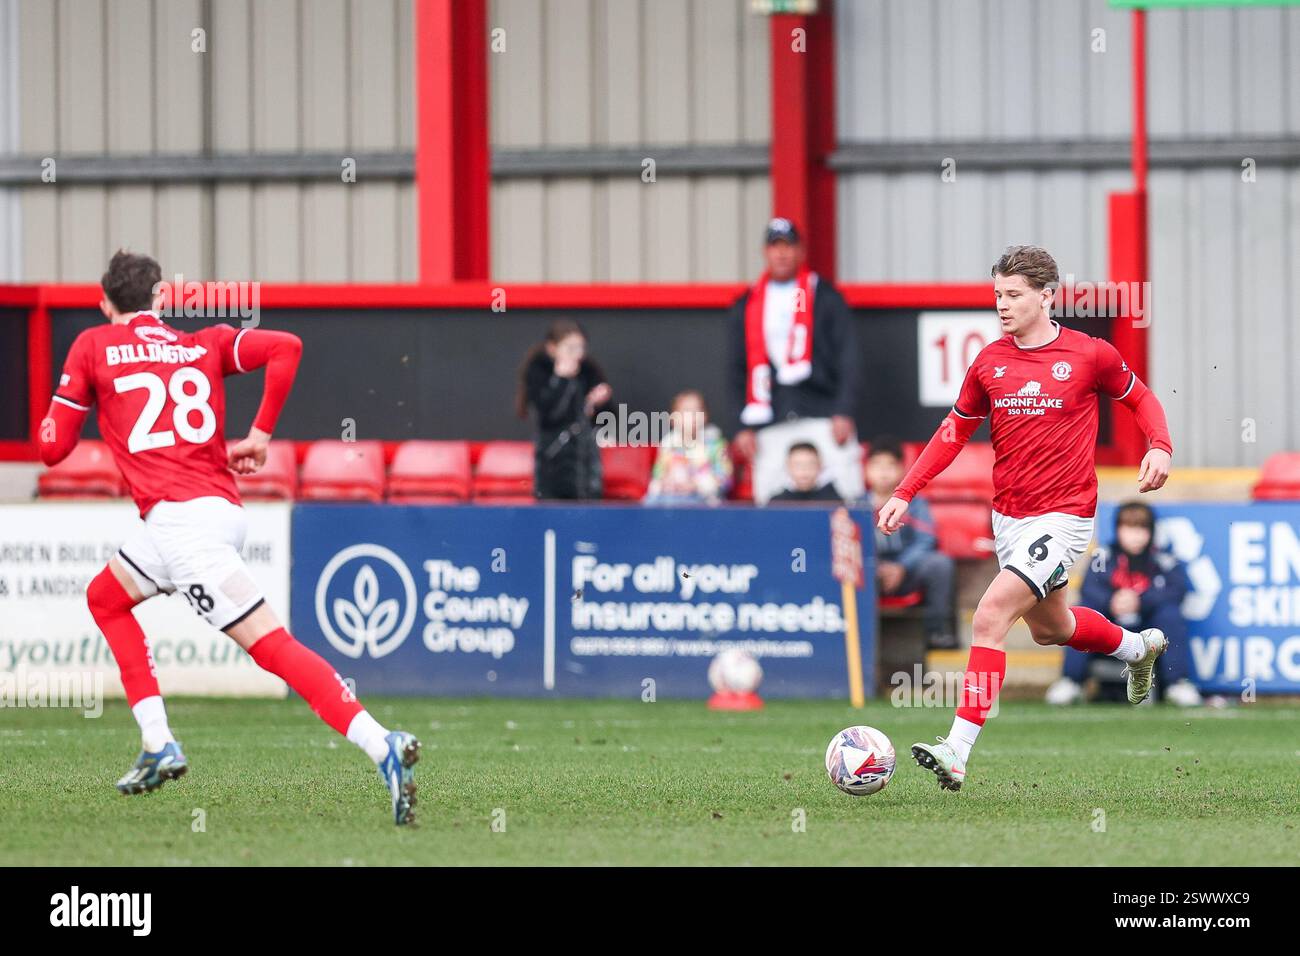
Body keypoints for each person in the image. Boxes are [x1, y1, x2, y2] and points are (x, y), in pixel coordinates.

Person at [39, 250, 420, 824]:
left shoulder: (93, 345)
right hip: (213, 509)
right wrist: (260, 434)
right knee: (106, 597)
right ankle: (156, 742)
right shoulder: (204, 343)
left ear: (104, 302)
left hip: (180, 525)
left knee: (271, 647)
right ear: (162, 297)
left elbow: (52, 449)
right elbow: (286, 346)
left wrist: (72, 404)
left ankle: (379, 742)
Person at [876, 244, 1174, 791]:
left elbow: (1142, 399)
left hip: (1064, 517)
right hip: (1010, 520)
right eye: (997, 295)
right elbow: (952, 433)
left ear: (1046, 295)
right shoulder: (990, 361)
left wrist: (1160, 444)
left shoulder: (1090, 355)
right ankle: (1139, 647)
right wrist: (905, 489)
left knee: (989, 617)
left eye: (1013, 295)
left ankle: (957, 749)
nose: (1003, 306)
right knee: (1052, 628)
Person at [731, 217, 862, 504]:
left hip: (823, 412)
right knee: (768, 500)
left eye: (788, 246)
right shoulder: (748, 302)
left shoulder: (823, 296)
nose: (781, 253)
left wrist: (844, 409)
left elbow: (848, 354)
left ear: (800, 251)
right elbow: (736, 368)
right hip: (772, 415)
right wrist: (741, 425)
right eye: (775, 246)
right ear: (765, 252)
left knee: (846, 495)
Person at [1047, 501, 1201, 707]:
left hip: (1147, 627)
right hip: (1111, 625)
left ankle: (1177, 683)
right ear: (1118, 529)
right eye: (1128, 528)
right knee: (1084, 610)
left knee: (1170, 614)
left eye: (1141, 529)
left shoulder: (1164, 559)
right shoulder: (1103, 557)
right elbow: (1089, 588)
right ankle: (1071, 681)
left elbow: (1177, 590)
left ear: (1151, 531)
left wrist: (1141, 601)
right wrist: (1111, 601)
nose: (1135, 536)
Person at [865, 437, 957, 649]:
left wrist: (901, 566)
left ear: (901, 470)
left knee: (939, 564)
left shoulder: (915, 504)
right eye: (877, 465)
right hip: (872, 574)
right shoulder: (856, 503)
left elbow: (926, 540)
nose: (883, 472)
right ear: (866, 470)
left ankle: (937, 633)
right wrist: (878, 568)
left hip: (908, 571)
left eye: (890, 465)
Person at [517, 319, 611, 500]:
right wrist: (561, 380)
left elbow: (606, 418)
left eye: (581, 348)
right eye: (570, 348)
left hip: (584, 461)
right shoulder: (540, 370)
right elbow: (547, 414)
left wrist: (596, 403)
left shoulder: (588, 371)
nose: (577, 354)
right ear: (553, 348)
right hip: (553, 459)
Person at [643, 390, 732, 505]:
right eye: (686, 411)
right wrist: (665, 483)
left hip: (703, 498)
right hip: (671, 496)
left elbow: (725, 480)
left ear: (705, 416)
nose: (693, 416)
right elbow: (658, 474)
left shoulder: (715, 445)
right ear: (673, 418)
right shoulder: (668, 445)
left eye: (698, 411)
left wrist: (696, 485)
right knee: (651, 501)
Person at [767, 442, 842, 503]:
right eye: (798, 465)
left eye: (810, 465)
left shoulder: (834, 502)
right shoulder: (777, 503)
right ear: (788, 467)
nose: (804, 470)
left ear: (820, 466)